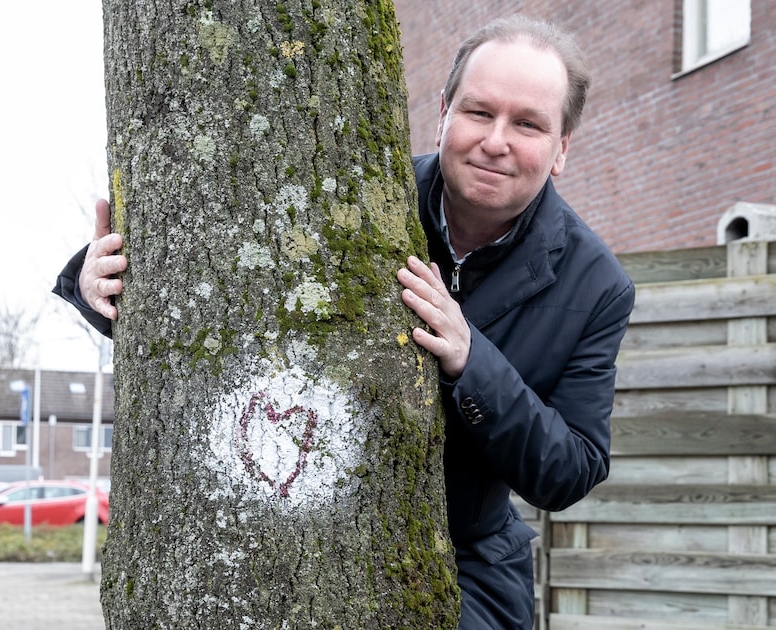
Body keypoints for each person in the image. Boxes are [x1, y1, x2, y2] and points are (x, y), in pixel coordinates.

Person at [54, 14, 634, 630]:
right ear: (442, 113)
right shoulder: (351, 198)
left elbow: (570, 470)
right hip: (302, 546)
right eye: (478, 112)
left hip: (474, 565)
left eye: (527, 124)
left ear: (562, 147)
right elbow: (230, 310)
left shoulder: (596, 285)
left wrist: (473, 360)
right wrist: (99, 287)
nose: (496, 140)